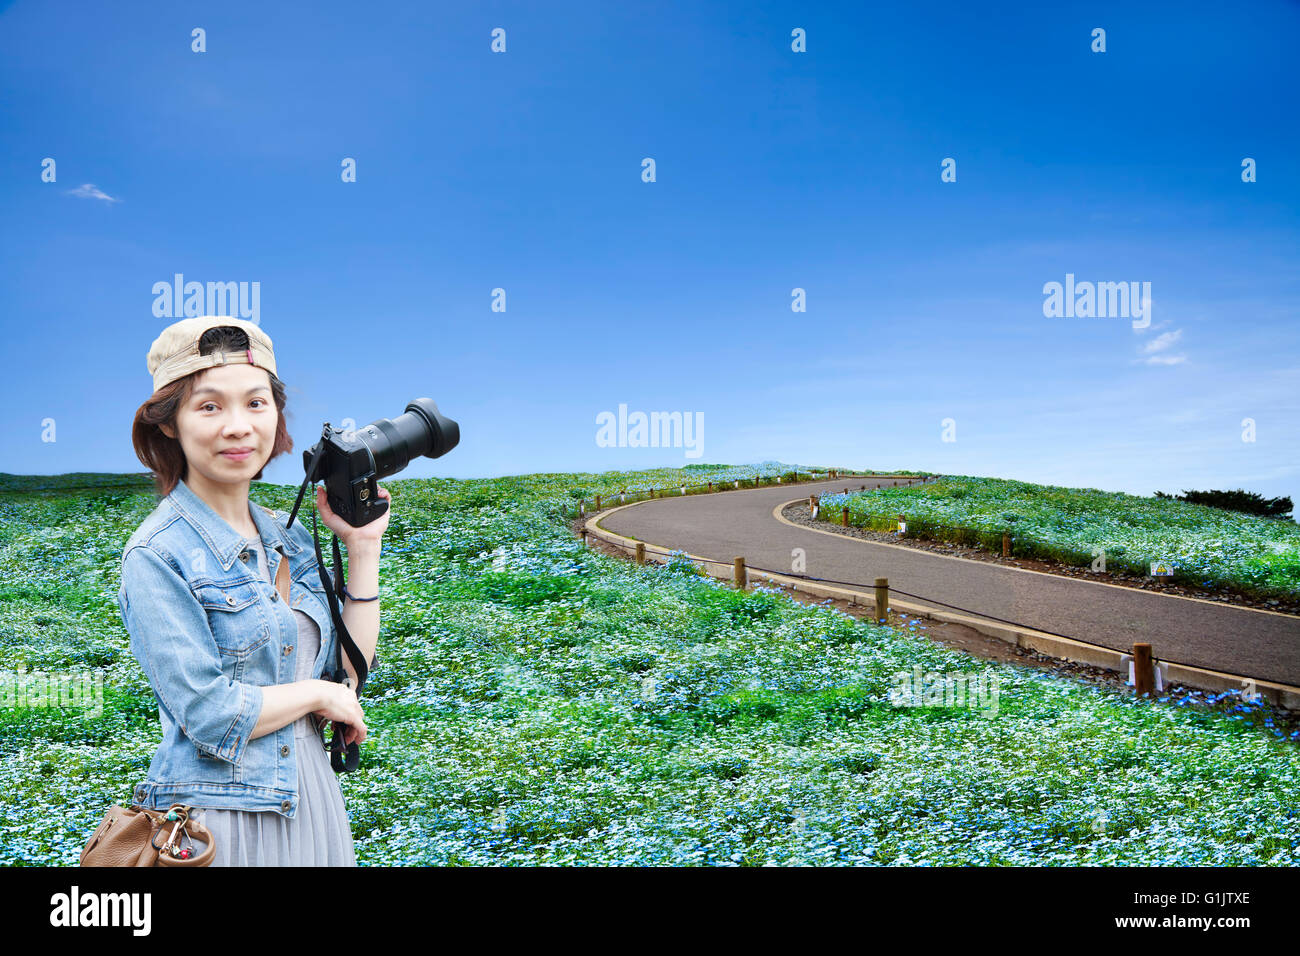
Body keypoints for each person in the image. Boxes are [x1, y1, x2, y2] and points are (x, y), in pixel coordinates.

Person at [117, 315, 388, 865]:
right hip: (222, 820)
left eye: (256, 403)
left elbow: (346, 677)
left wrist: (362, 549)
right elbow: (209, 714)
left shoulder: (290, 538)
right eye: (209, 407)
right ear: (169, 424)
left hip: (312, 799)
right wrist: (318, 697)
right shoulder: (157, 555)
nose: (238, 427)